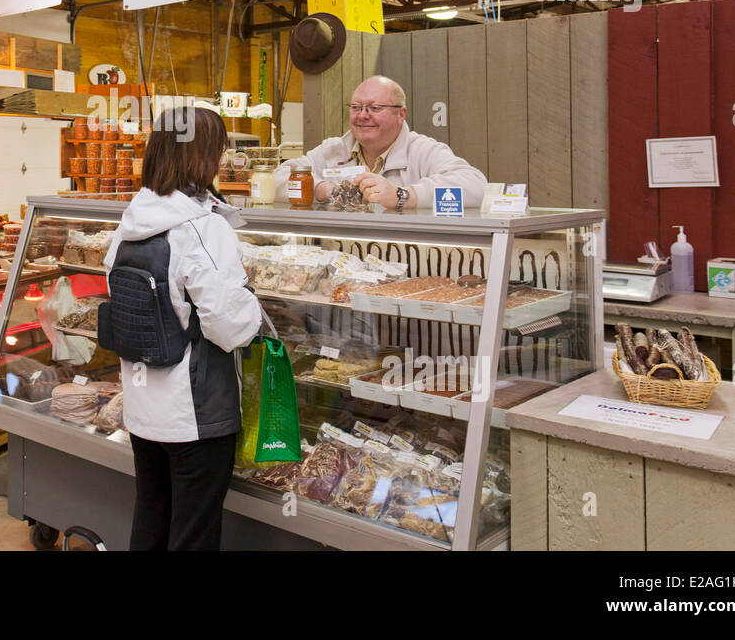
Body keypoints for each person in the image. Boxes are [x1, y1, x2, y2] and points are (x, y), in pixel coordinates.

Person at [103, 107, 262, 551]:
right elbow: (228, 327)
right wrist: (255, 300)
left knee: (152, 519)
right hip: (194, 415)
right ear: (205, 157)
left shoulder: (130, 222)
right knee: (193, 534)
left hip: (142, 409)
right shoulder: (203, 229)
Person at [276, 75, 487, 210]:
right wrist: (321, 189)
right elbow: (277, 178)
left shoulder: (423, 150)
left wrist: (403, 195)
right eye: (356, 108)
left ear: (400, 114)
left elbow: (476, 186)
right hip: (344, 265)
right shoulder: (333, 150)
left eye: (375, 108)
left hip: (406, 264)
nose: (363, 116)